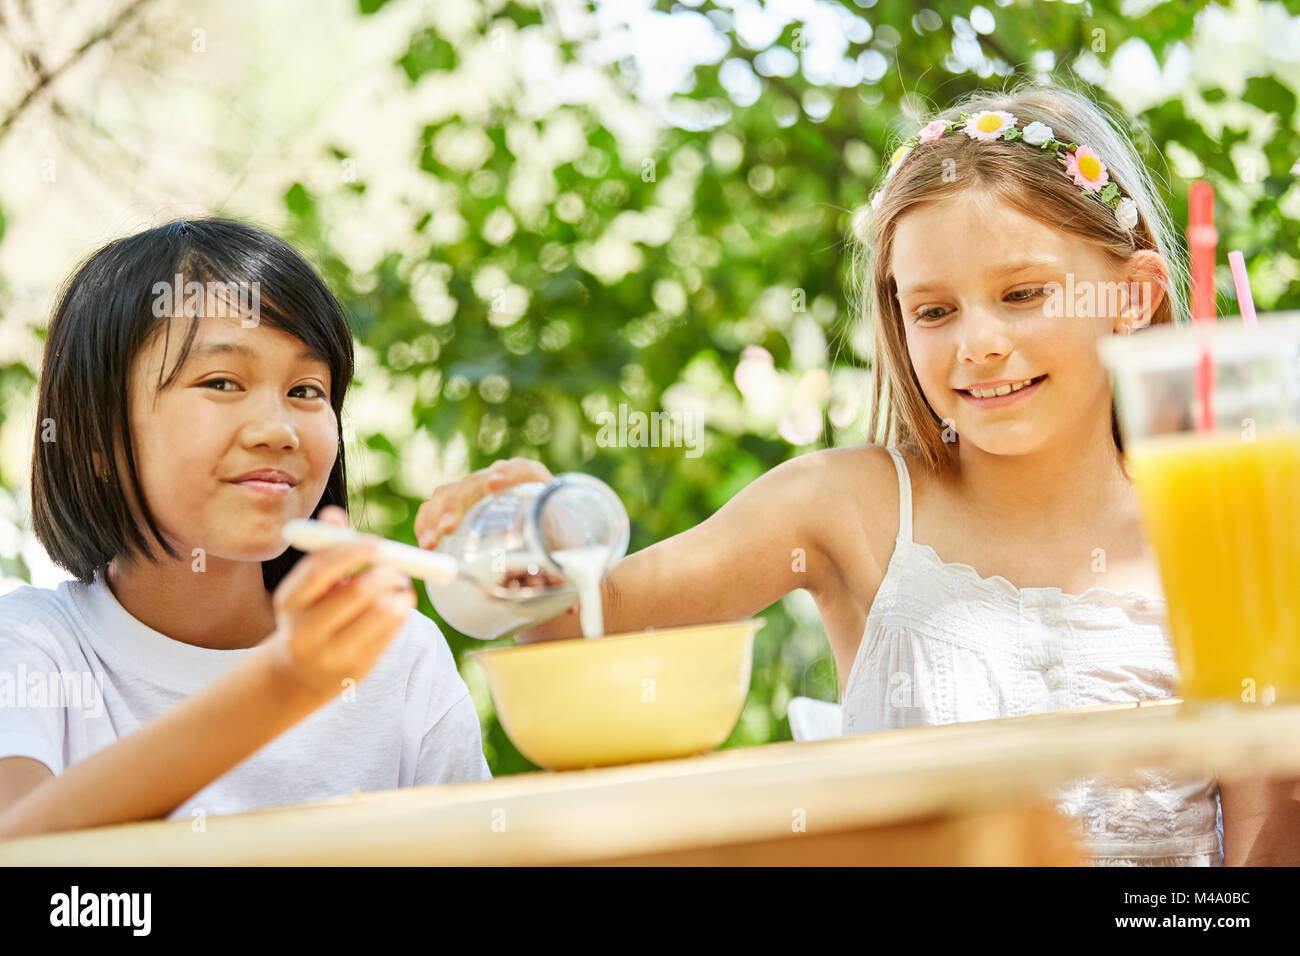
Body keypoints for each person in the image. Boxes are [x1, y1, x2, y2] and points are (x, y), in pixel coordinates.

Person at [414, 83, 1300, 865]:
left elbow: (1266, 843)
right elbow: (582, 631)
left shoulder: (1224, 532)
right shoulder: (850, 507)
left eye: (1024, 294)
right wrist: (523, 532)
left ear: (1135, 293)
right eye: (934, 310)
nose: (979, 343)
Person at [0, 218, 489, 840]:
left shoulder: (400, 656)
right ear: (93, 434)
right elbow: (16, 844)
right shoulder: (32, 647)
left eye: (307, 390)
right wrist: (282, 687)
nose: (277, 429)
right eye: (222, 382)